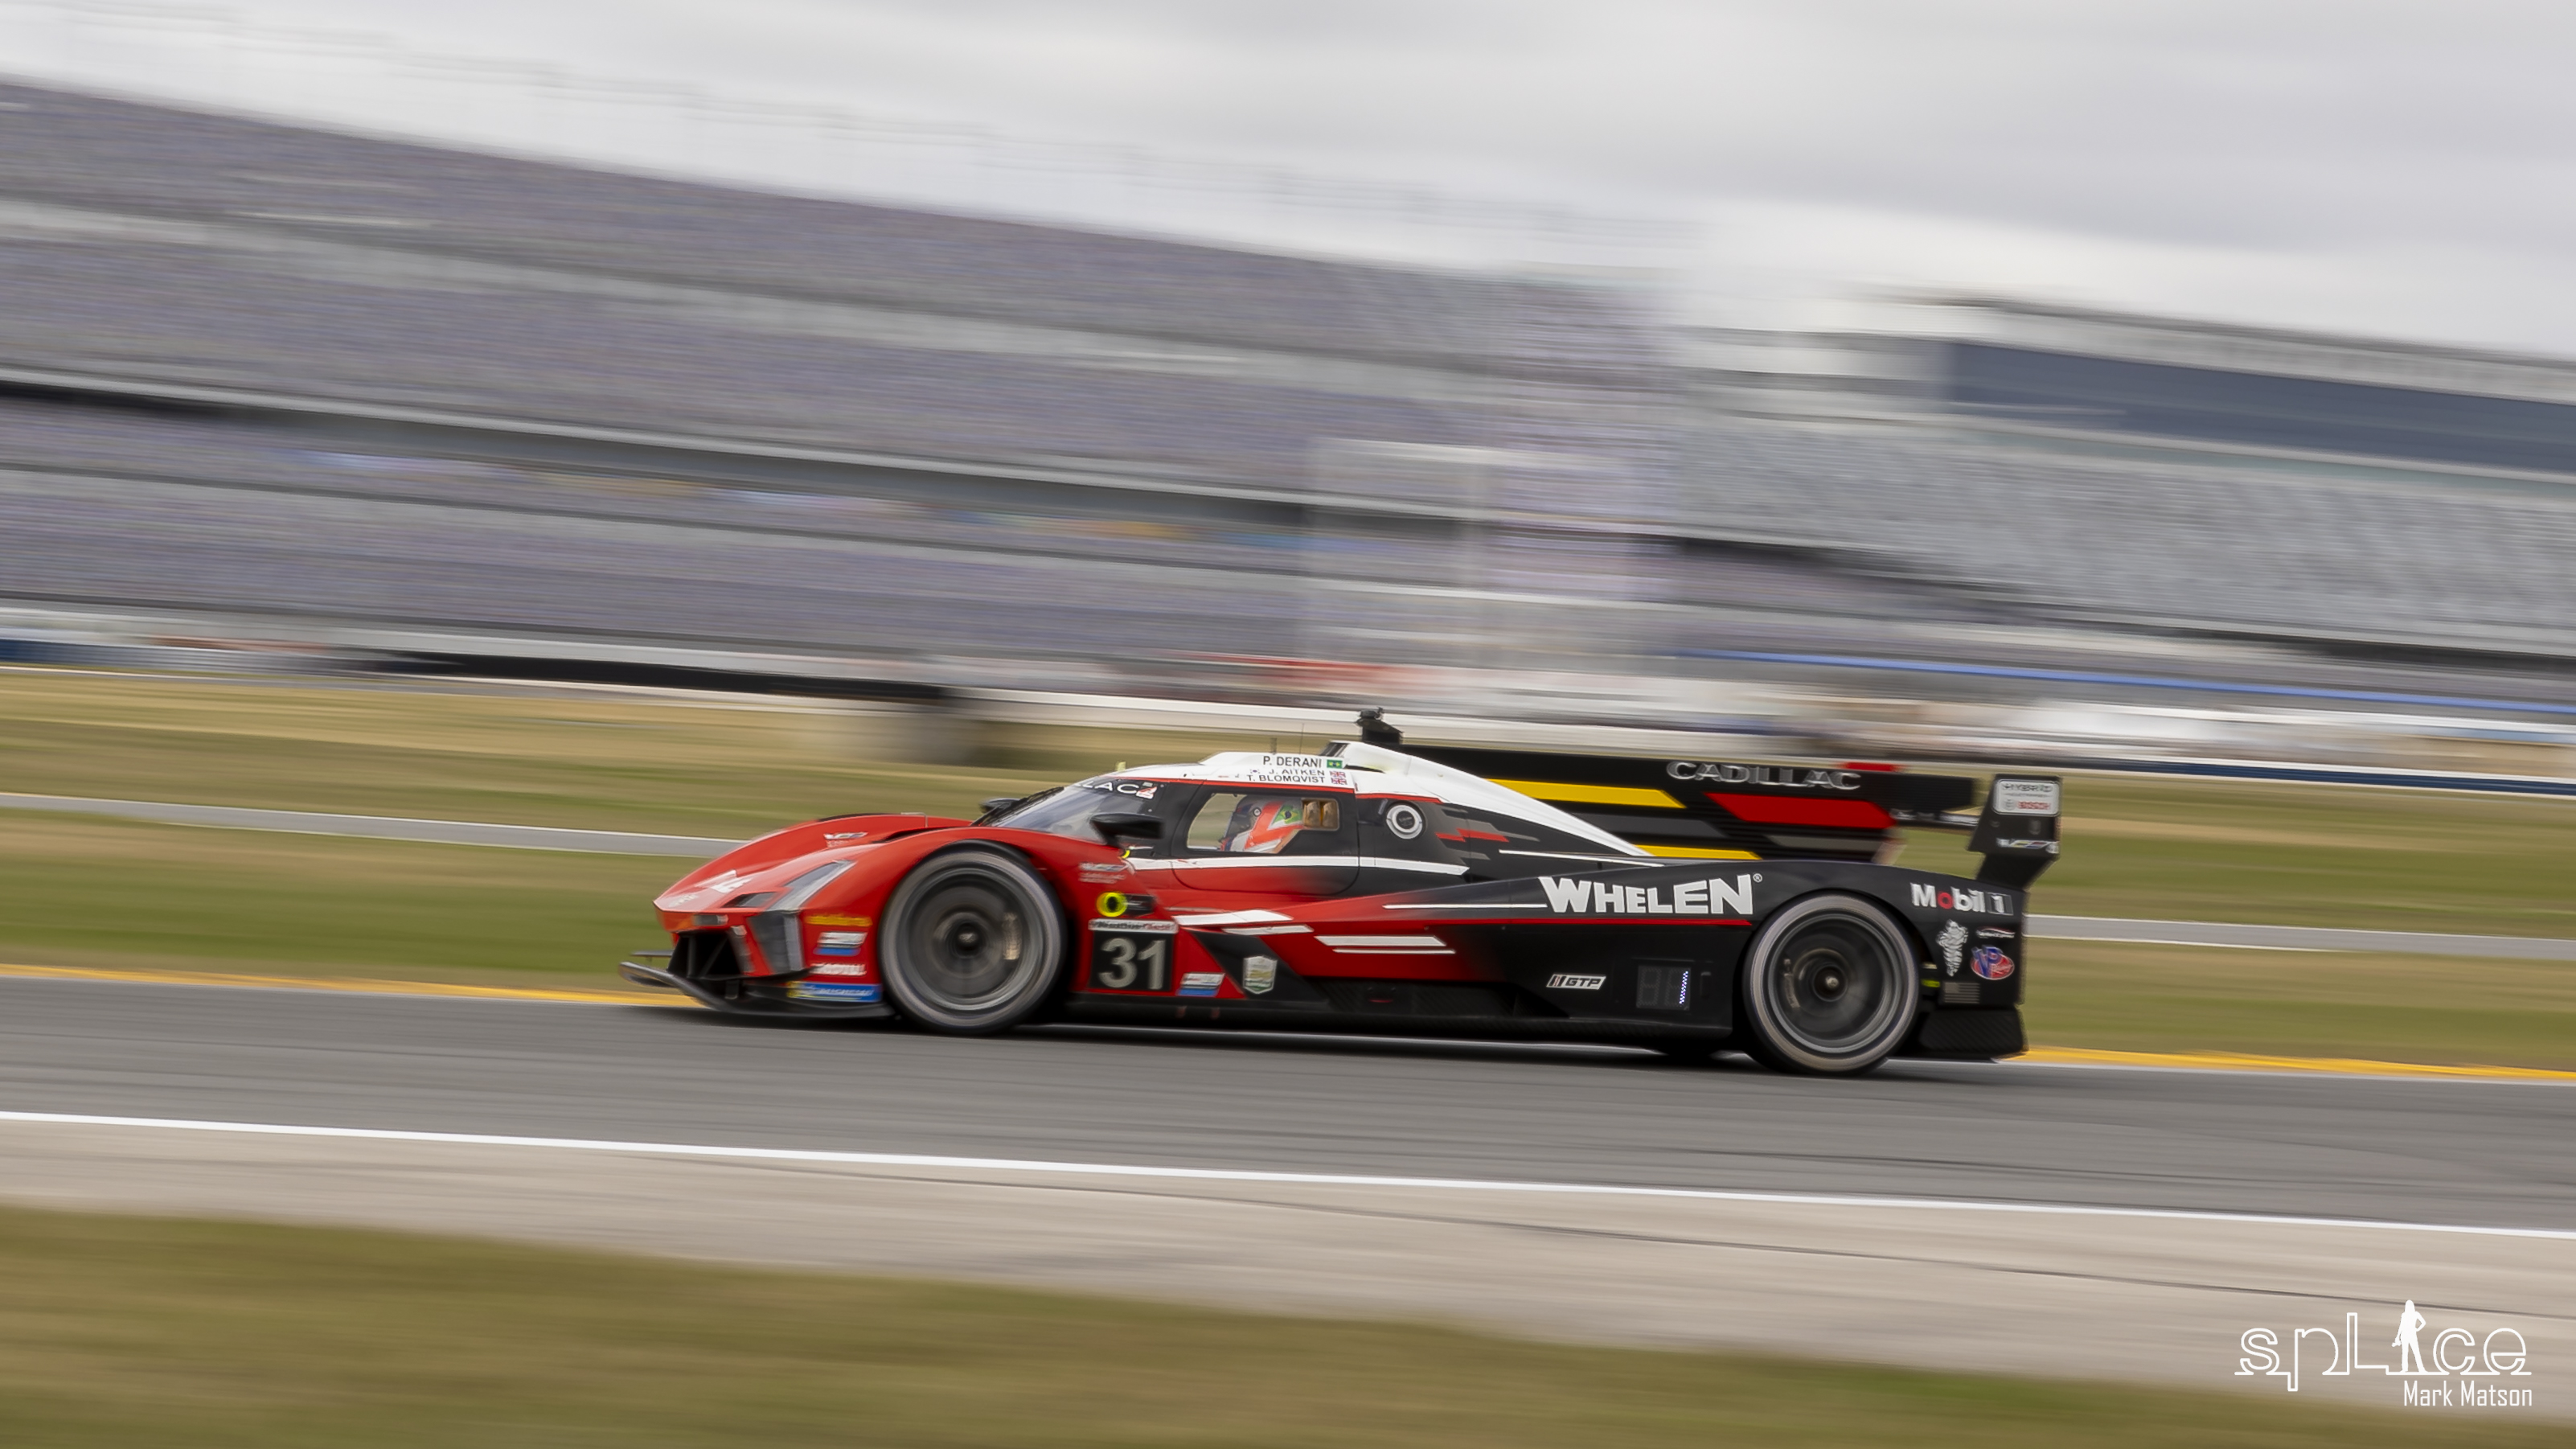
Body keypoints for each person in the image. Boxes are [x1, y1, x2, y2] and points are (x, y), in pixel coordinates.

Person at [2393, 1300, 2430, 1375]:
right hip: (2412, 1334)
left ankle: (2404, 1369)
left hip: (2405, 1334)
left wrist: (2397, 1336)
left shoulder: (2404, 1314)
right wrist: (2417, 1329)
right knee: (2416, 1352)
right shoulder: (2415, 1314)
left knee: (2405, 1352)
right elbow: (2423, 1322)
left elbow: (2401, 1326)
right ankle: (2421, 1369)